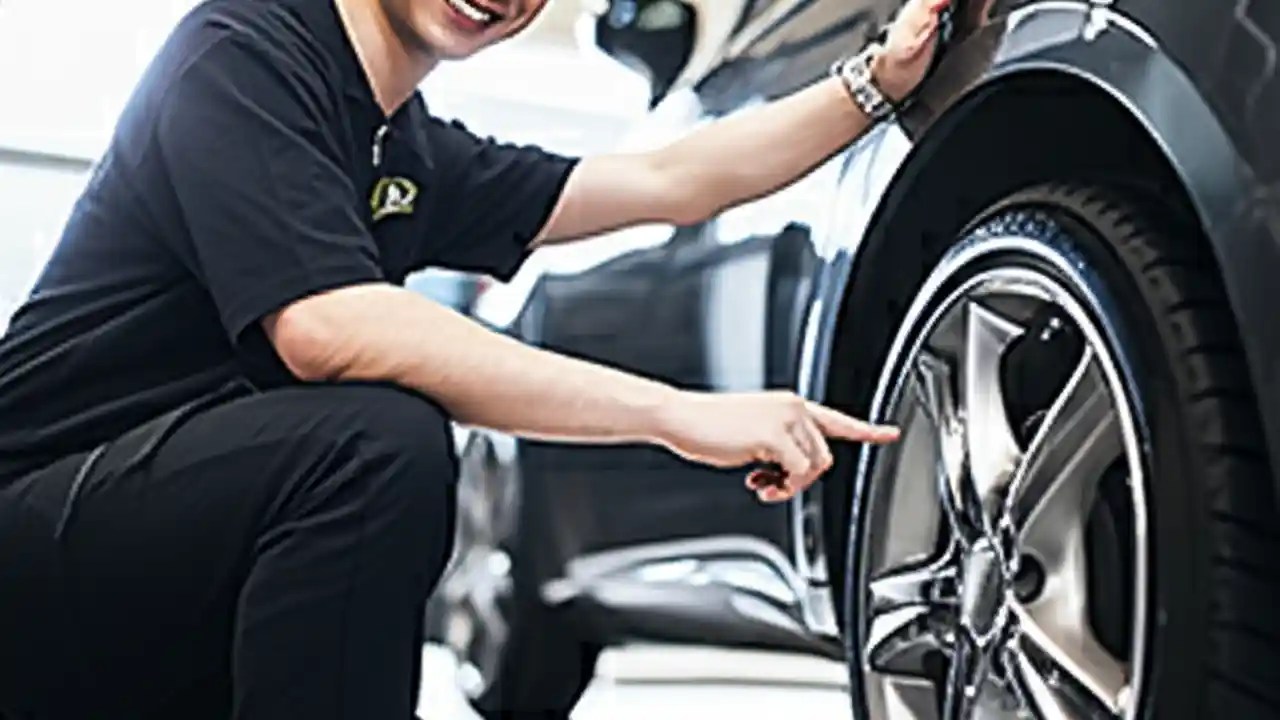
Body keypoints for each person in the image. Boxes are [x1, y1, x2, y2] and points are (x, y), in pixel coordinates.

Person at [0, 0, 951, 716]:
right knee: (373, 445)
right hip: (34, 538)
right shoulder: (244, 51)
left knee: (362, 451)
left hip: (154, 539)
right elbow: (330, 329)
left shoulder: (405, 153)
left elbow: (672, 180)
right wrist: (679, 414)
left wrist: (879, 80)